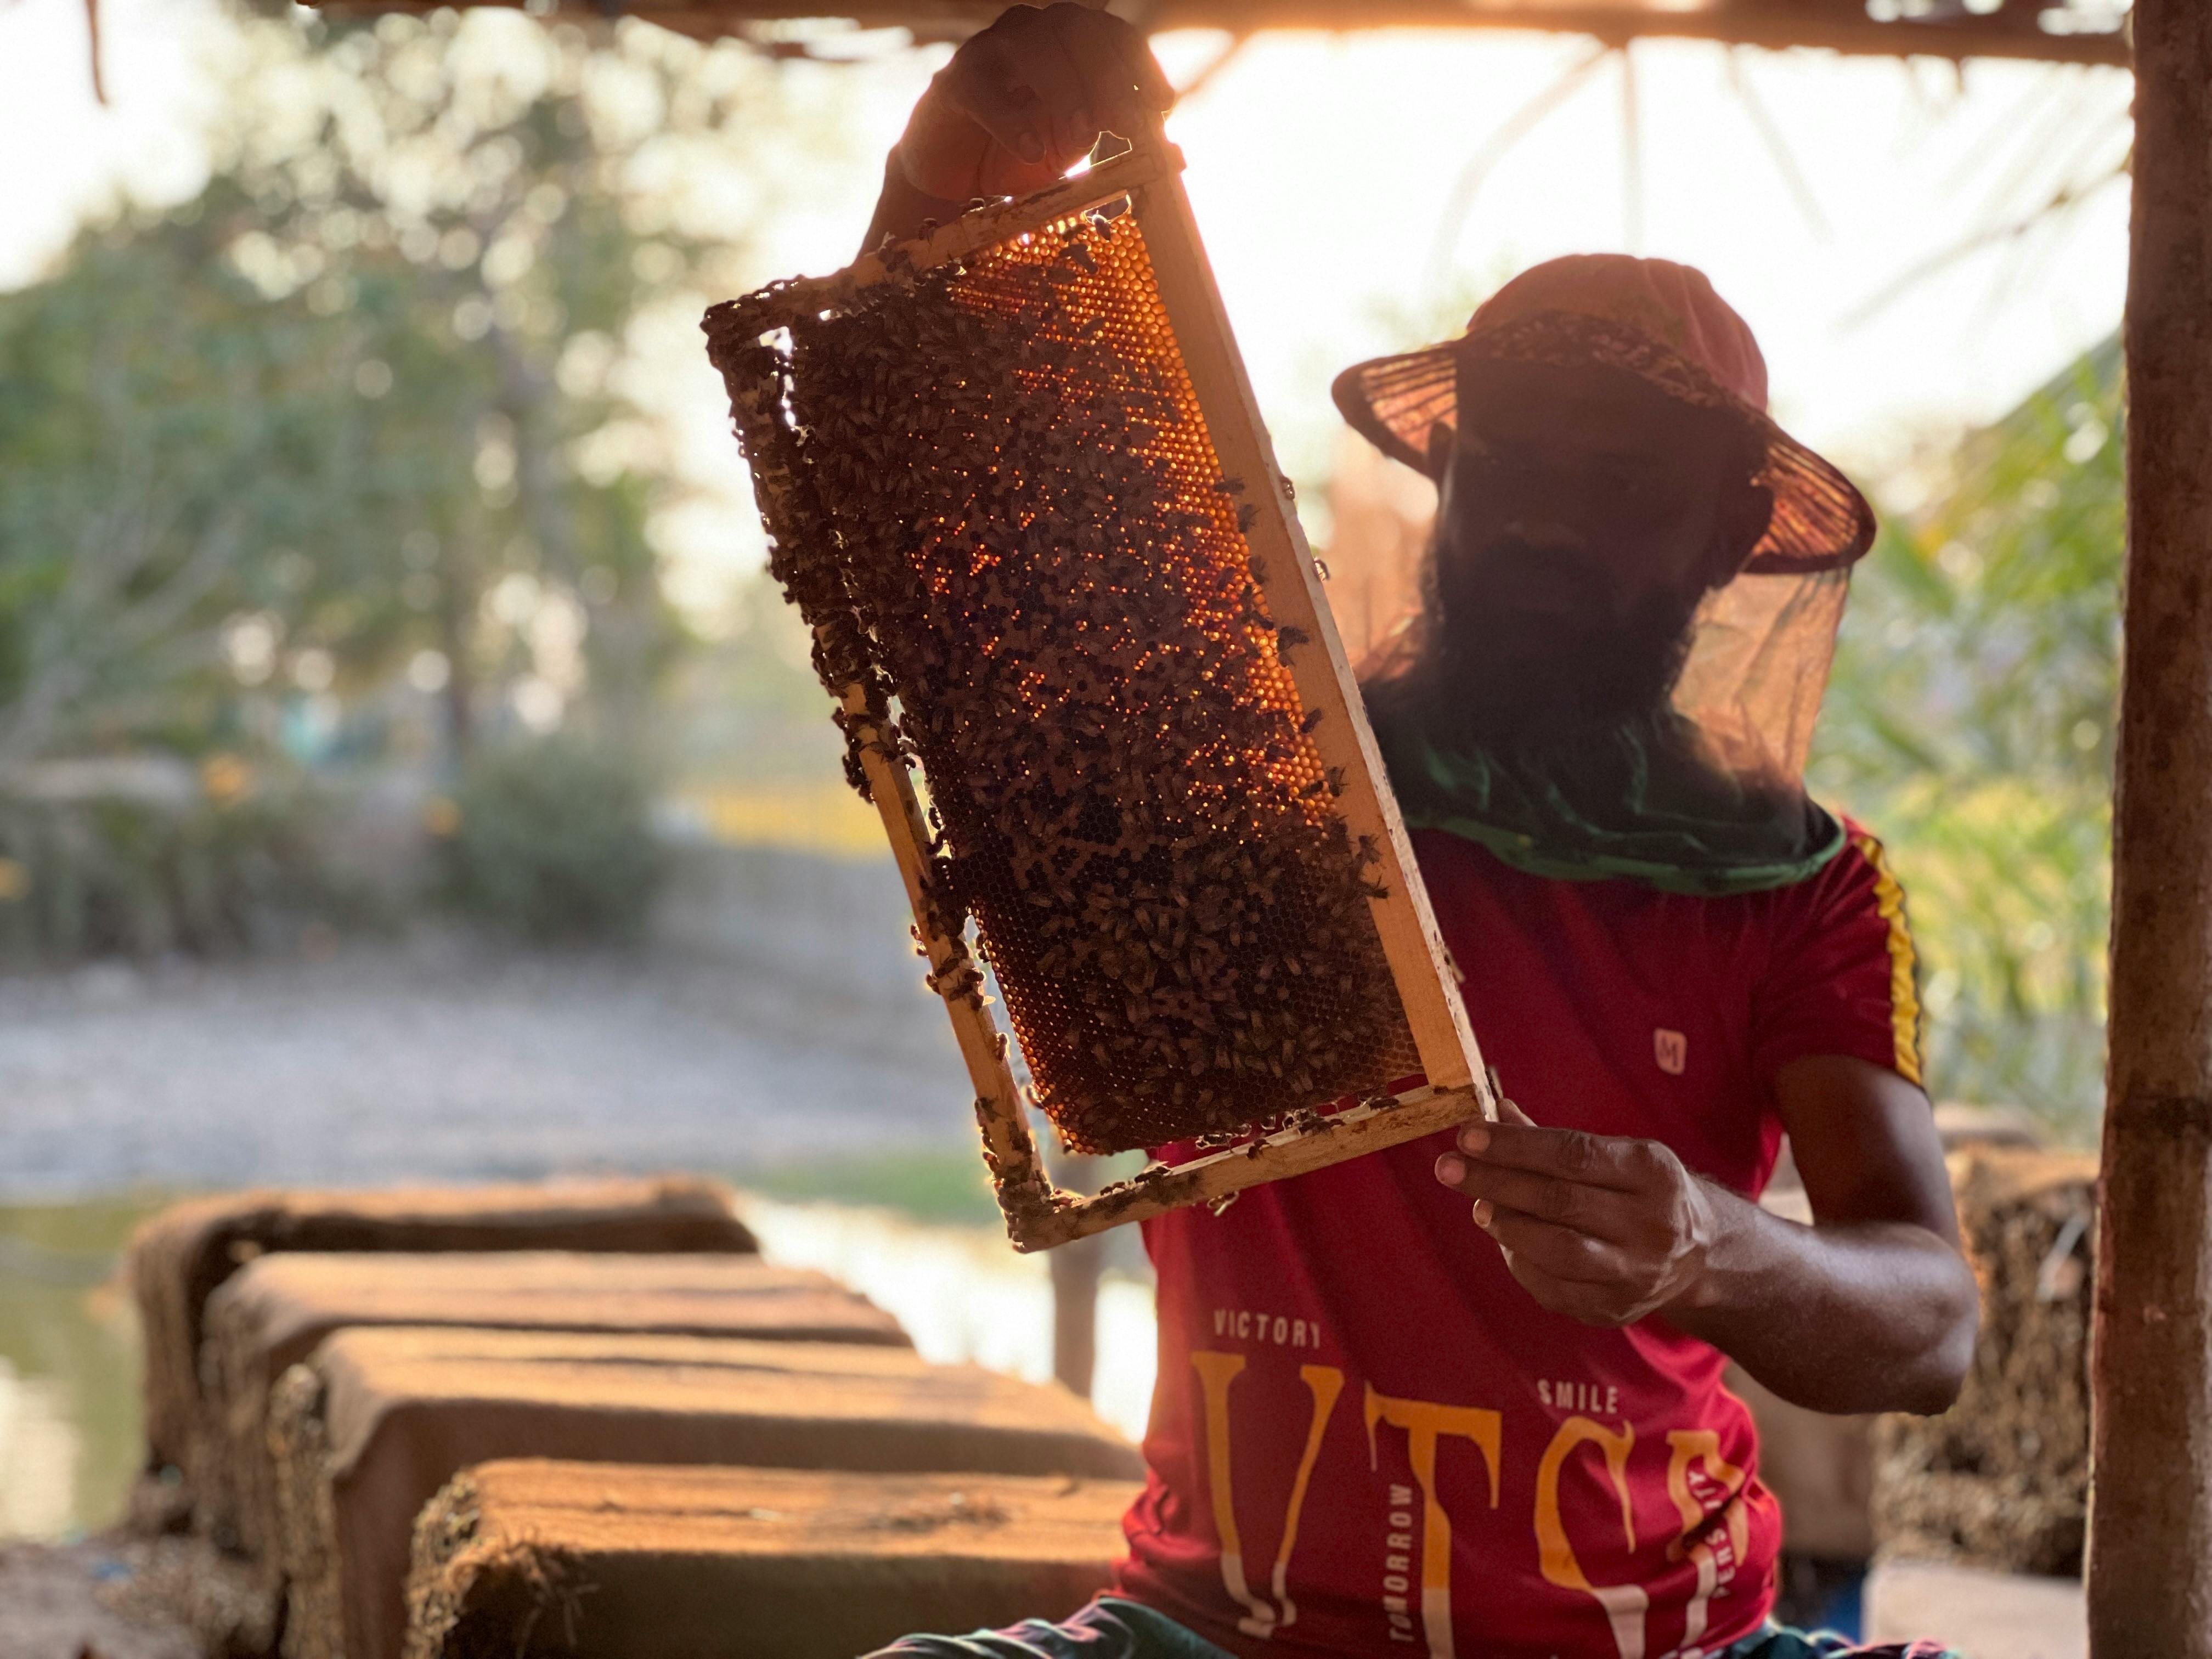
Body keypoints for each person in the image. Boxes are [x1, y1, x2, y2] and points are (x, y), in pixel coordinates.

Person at [862, 9, 1979, 1656]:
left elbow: (1929, 1325)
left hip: (1665, 1640)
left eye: (1623, 485)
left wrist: (1713, 1247)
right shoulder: (1253, 779)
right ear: (1448, 470)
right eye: (1511, 465)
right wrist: (950, 164)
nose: (1546, 523)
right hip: (1214, 1629)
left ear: (1732, 532)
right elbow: (948, 508)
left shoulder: (1800, 887)